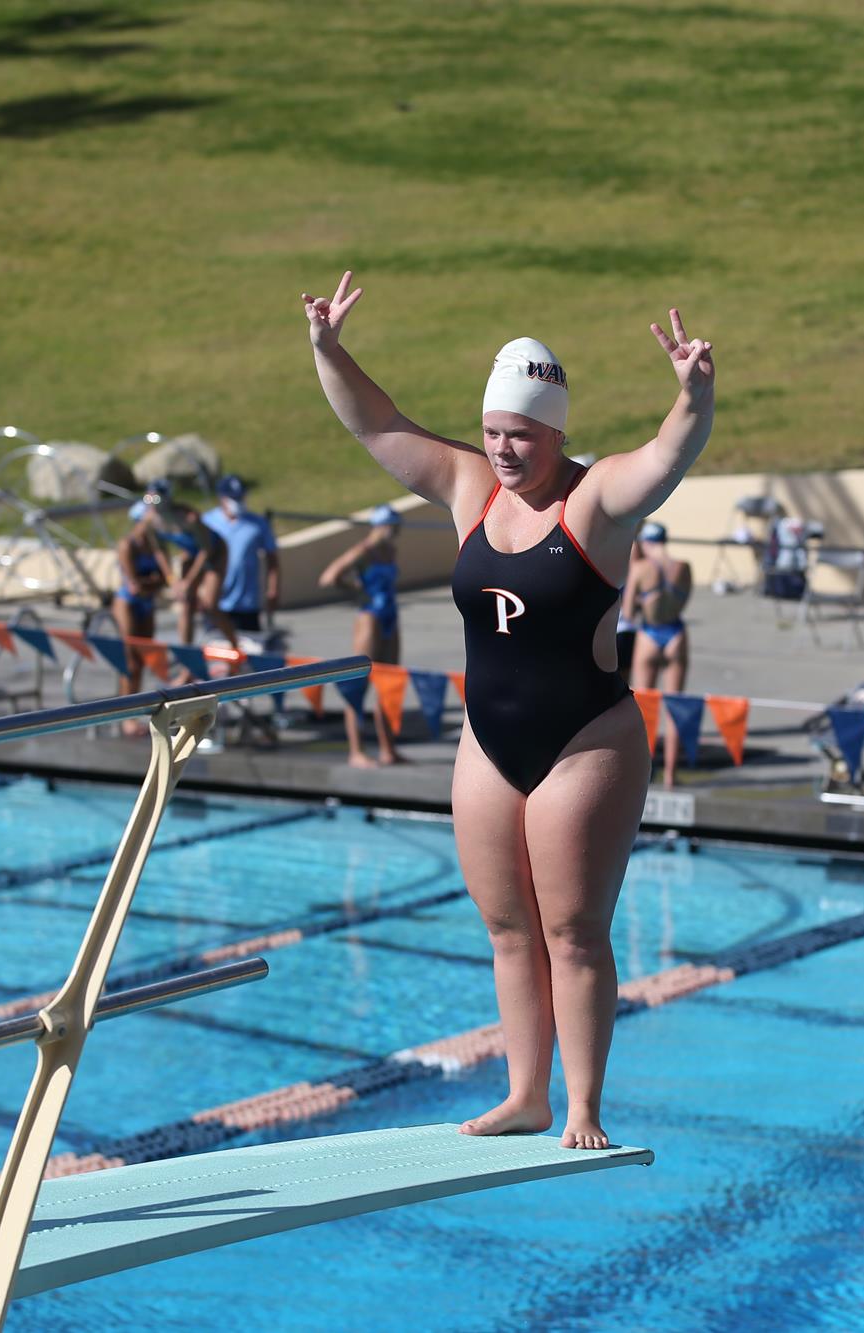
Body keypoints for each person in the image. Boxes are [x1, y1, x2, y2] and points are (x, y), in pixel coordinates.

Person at [303, 270, 714, 1149]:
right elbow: (379, 423)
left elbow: (665, 458)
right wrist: (329, 351)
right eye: (492, 431)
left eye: (518, 436)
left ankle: (584, 1106)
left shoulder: (594, 499)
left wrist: (694, 396)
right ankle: (525, 1093)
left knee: (572, 929)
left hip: (586, 742)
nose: (500, 450)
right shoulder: (468, 488)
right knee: (505, 927)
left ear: (552, 432)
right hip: (487, 741)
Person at [318, 503, 406, 767]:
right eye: (393, 527)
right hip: (369, 618)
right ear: (382, 526)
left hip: (390, 615)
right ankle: (356, 751)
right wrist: (355, 589)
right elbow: (329, 577)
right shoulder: (363, 552)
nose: (395, 532)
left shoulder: (390, 551)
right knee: (359, 685)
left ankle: (387, 749)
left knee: (388, 683)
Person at [625, 522, 693, 788]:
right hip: (676, 633)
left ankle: (645, 772)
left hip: (650, 635)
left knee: (645, 707)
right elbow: (683, 602)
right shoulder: (683, 567)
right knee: (674, 707)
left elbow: (629, 612)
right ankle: (671, 775)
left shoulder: (641, 569)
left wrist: (645, 600)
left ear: (645, 541)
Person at [144, 480, 241, 653]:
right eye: (147, 499)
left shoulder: (188, 518)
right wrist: (172, 580)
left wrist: (188, 581)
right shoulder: (151, 521)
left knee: (210, 605)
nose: (151, 505)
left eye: (156, 500)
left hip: (214, 552)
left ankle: (236, 648)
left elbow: (205, 550)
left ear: (167, 499)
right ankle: (188, 660)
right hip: (193, 554)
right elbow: (160, 552)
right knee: (187, 604)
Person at [202, 475, 281, 636]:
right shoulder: (207, 522)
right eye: (233, 498)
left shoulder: (258, 523)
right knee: (219, 653)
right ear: (222, 498)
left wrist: (273, 589)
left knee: (249, 651)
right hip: (217, 602)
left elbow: (272, 559)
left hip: (247, 604)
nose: (238, 501)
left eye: (241, 496)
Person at [111, 502, 166, 725]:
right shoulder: (127, 545)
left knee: (143, 659)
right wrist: (154, 581)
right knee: (130, 661)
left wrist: (153, 582)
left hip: (147, 603)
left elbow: (165, 579)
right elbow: (134, 586)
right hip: (128, 603)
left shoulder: (155, 545)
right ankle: (125, 715)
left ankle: (133, 709)